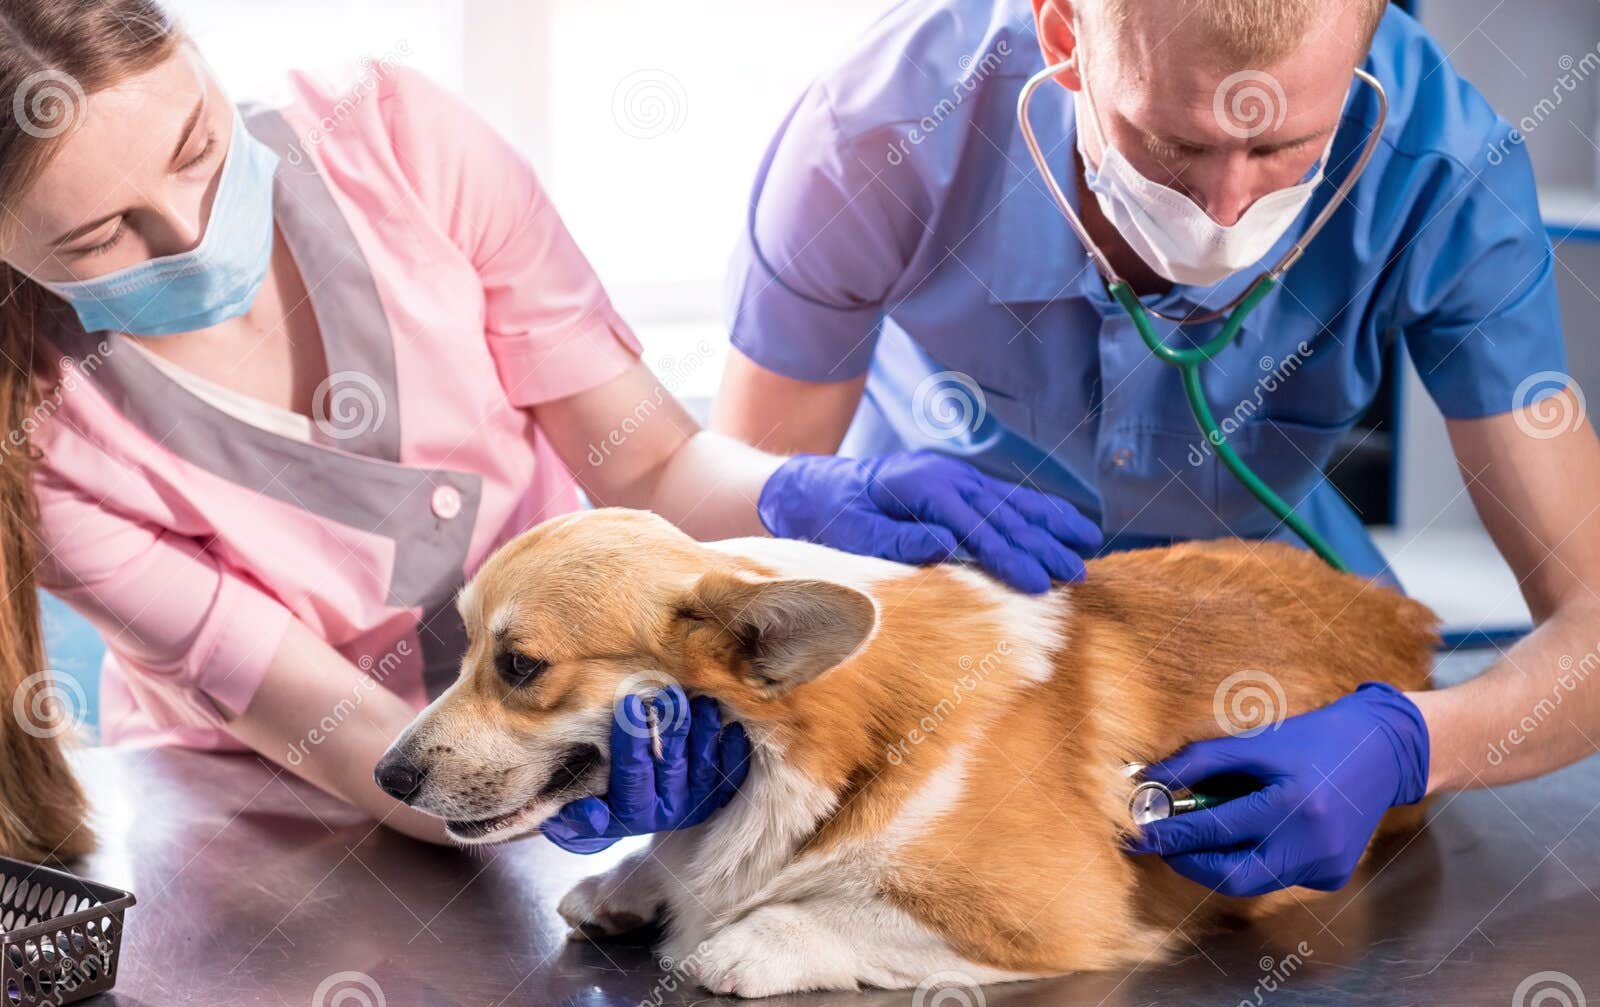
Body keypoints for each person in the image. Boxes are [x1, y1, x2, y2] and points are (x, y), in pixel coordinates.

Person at [0, 0, 1100, 854]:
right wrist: (571, 778)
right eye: (100, 237)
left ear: (201, 56)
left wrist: (796, 496)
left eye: (197, 146)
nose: (190, 231)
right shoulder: (42, 452)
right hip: (266, 818)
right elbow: (349, 741)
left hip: (550, 741)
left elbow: (650, 465)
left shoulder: (396, 142)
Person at [714, 0, 1600, 895]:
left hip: (1252, 604)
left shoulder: (1448, 171)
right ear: (1065, 38)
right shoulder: (880, 130)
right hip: (936, 587)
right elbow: (729, 554)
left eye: (1283, 147)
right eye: (1175, 144)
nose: (1226, 209)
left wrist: (1415, 745)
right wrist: (804, 508)